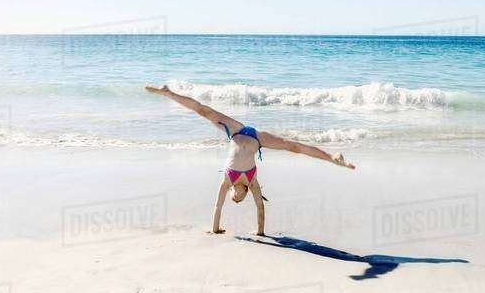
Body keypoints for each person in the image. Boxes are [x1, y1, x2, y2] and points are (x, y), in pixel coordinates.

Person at [145, 85, 355, 236]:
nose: (237, 199)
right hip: (257, 139)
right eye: (239, 200)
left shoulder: (228, 180)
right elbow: (260, 208)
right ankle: (333, 159)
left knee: (205, 112)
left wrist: (215, 228)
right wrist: (260, 232)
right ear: (244, 193)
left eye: (233, 199)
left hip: (235, 130)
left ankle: (332, 157)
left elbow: (217, 208)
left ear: (232, 193)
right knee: (294, 147)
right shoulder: (253, 182)